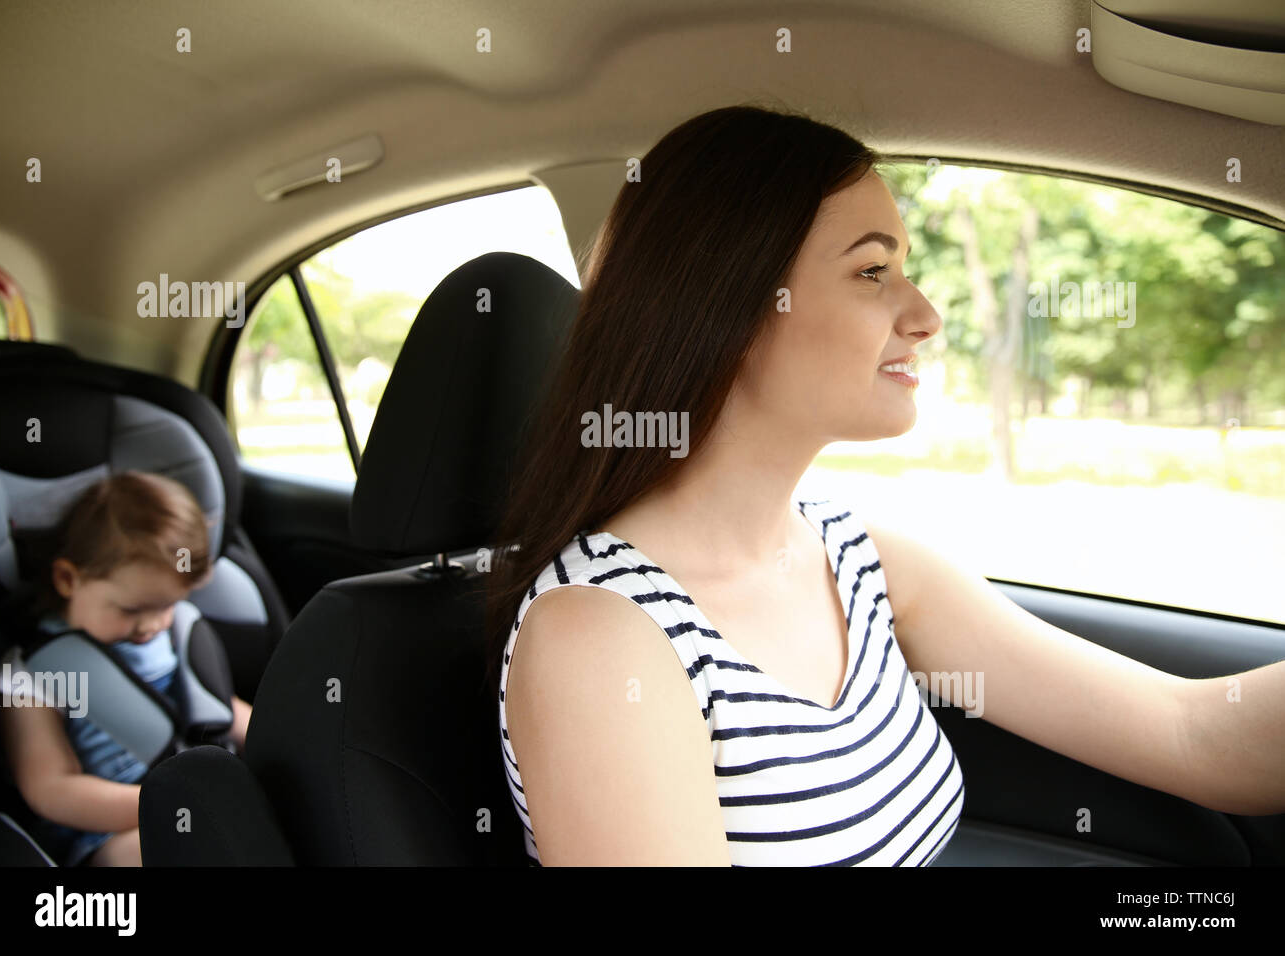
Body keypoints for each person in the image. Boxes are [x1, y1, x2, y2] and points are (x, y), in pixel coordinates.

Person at [484, 104, 1285, 866]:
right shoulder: (598, 636)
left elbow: (1193, 736)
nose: (927, 314)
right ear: (724, 307)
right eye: (873, 271)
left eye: (906, 269)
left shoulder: (860, 558)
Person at [0, 471, 252, 866]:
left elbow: (221, 709)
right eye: (132, 610)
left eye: (168, 606)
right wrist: (169, 804)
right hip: (108, 832)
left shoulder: (170, 636)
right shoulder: (30, 673)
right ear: (68, 579)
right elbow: (49, 787)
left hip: (206, 794)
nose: (152, 625)